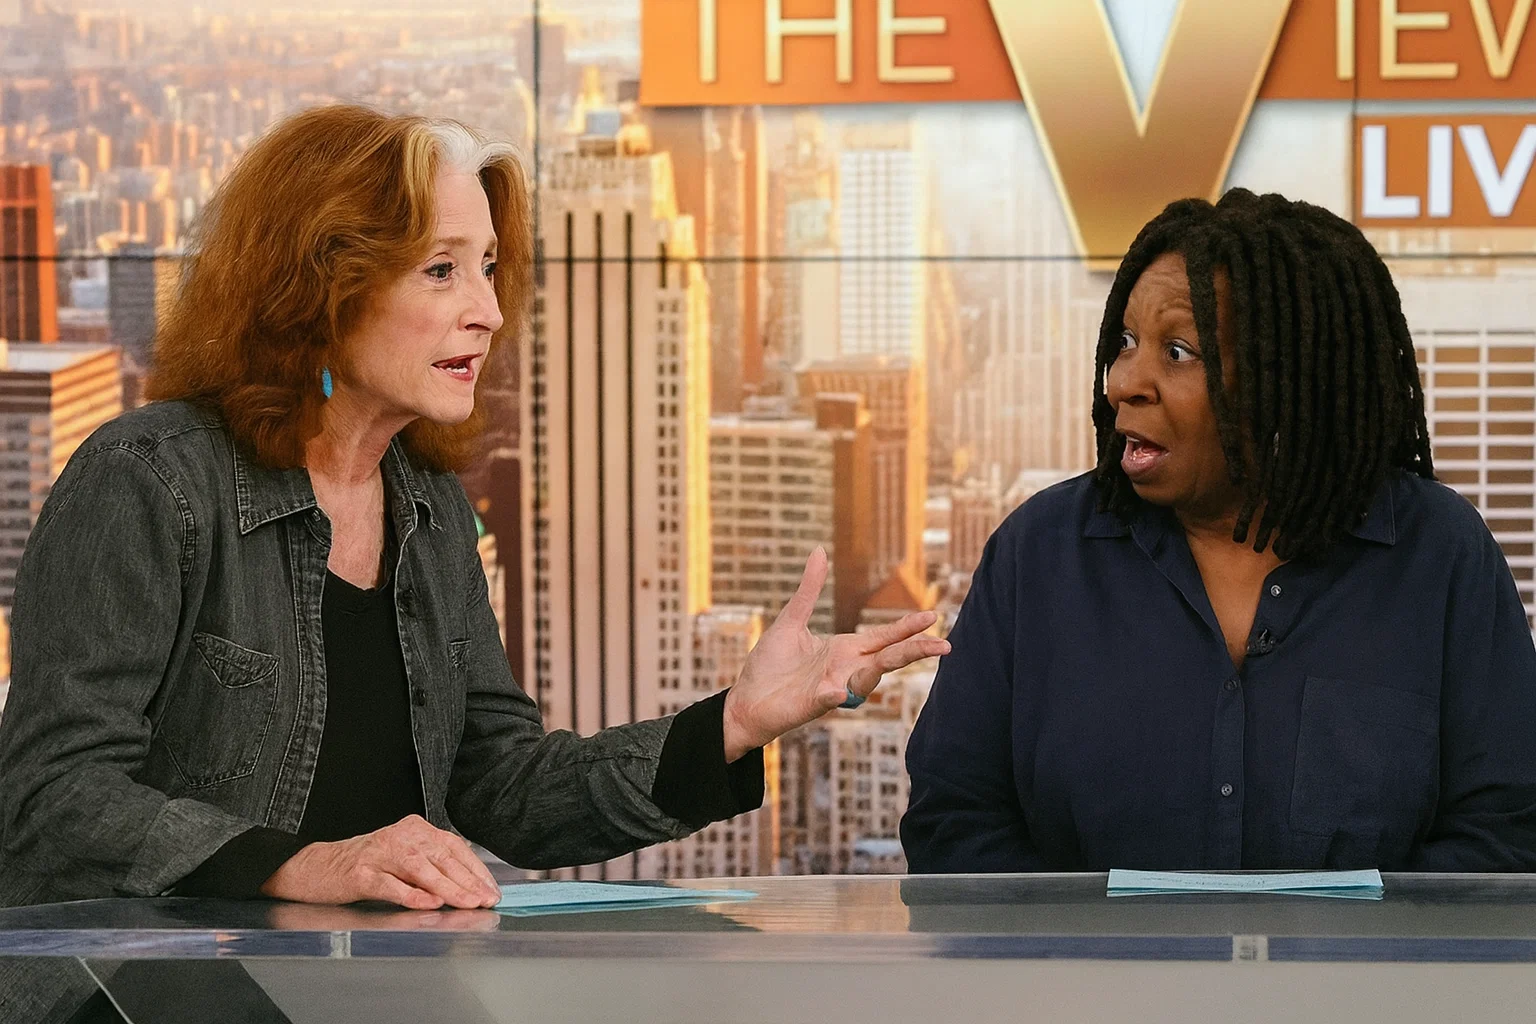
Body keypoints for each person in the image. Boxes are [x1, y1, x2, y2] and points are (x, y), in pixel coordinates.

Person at [0, 104, 950, 1022]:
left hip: (369, 1000)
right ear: (322, 286)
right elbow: (51, 795)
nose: (489, 311)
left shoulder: (432, 509)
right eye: (442, 270)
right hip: (141, 1002)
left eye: (489, 269)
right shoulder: (149, 481)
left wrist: (735, 722)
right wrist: (299, 865)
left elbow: (505, 789)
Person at [902, 189, 1536, 874]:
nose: (1125, 382)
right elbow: (954, 823)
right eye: (1125, 343)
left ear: (1285, 377)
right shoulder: (1037, 555)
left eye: (1177, 352)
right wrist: (1084, 940)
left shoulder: (1440, 556)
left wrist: (1357, 941)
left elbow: (1505, 834)